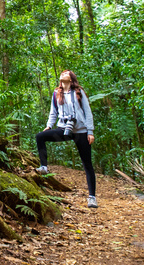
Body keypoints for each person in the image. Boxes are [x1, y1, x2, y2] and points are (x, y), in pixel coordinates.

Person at [35, 70, 98, 208]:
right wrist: (49, 126)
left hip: (80, 131)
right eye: (62, 73)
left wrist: (90, 131)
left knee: (87, 164)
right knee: (40, 136)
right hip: (64, 130)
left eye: (67, 73)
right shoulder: (56, 93)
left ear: (71, 78)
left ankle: (92, 197)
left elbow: (88, 112)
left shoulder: (79, 92)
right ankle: (44, 167)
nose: (63, 74)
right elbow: (53, 112)